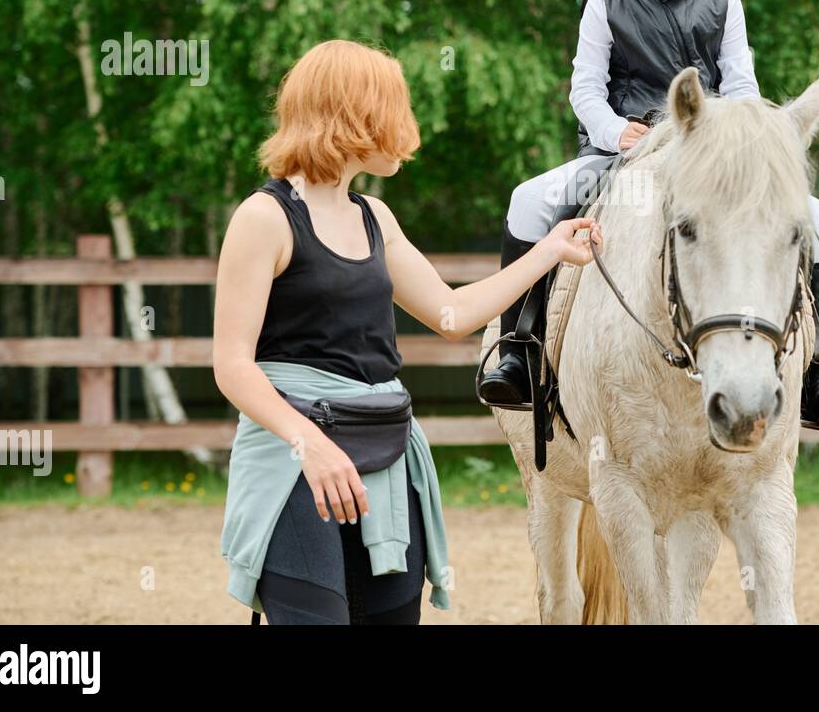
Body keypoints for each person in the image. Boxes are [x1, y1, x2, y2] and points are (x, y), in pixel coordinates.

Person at [476, 0, 819, 433]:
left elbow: (740, 85)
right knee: (528, 200)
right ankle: (519, 349)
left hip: (705, 161)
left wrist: (733, 141)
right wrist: (615, 132)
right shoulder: (603, 0)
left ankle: (818, 369)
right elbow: (584, 89)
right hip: (619, 155)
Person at [214, 39, 603, 624]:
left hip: (386, 457)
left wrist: (548, 250)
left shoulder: (374, 215)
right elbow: (233, 366)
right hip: (293, 467)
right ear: (354, 115)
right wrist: (310, 444)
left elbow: (451, 314)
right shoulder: (264, 217)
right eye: (393, 106)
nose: (406, 124)